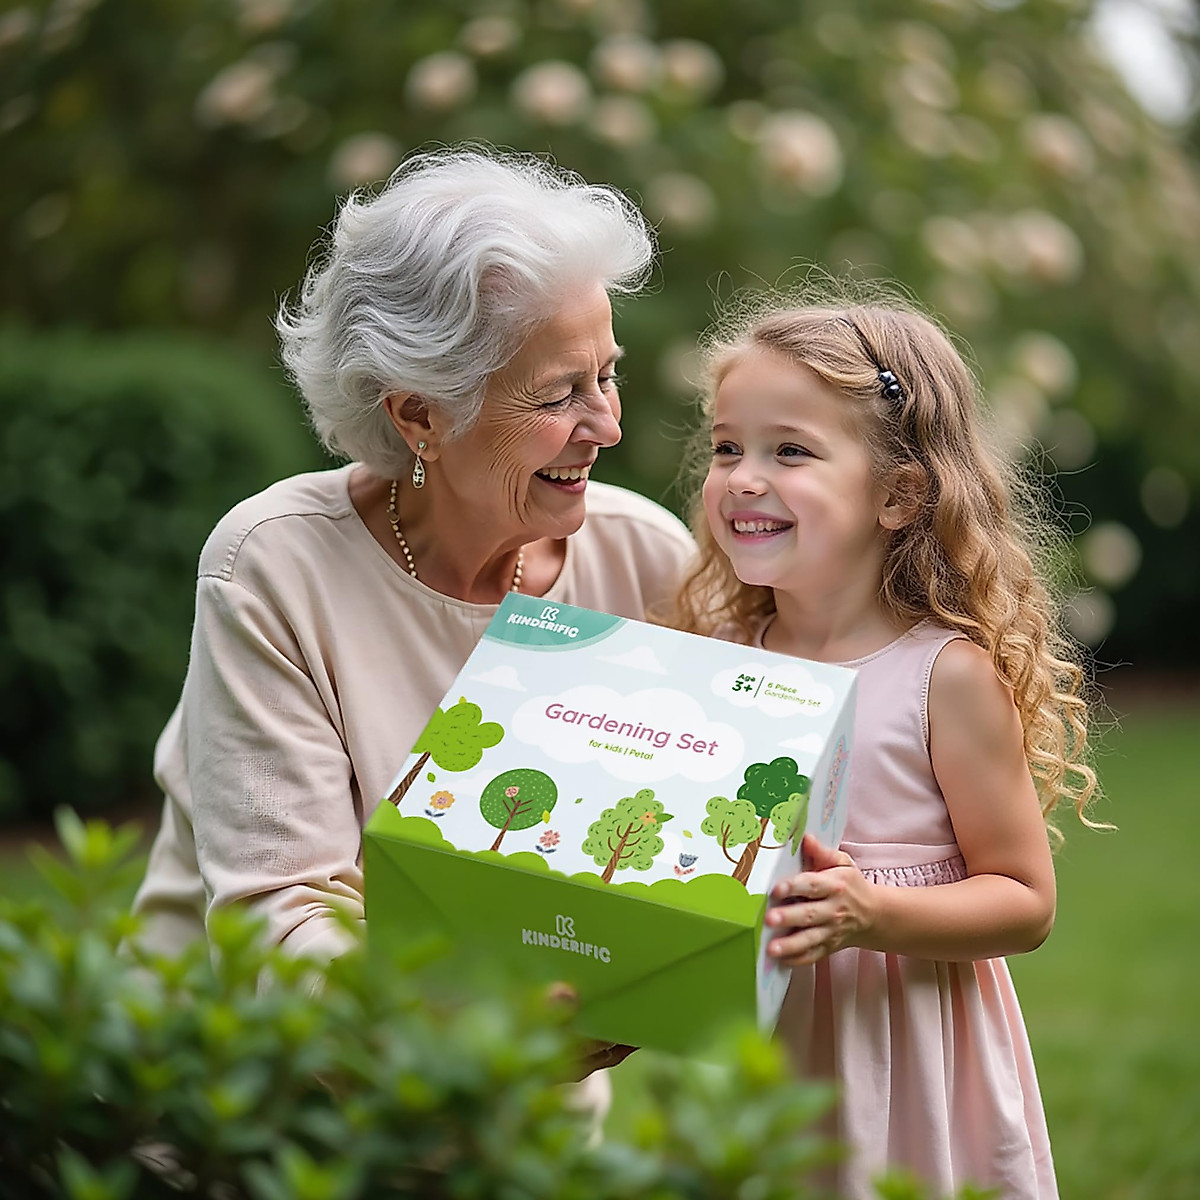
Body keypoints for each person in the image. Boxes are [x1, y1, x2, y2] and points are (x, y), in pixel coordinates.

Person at [131, 147, 694, 994]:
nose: (607, 426)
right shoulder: (276, 567)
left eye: (606, 376)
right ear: (420, 414)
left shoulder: (645, 558)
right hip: (240, 1060)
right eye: (558, 395)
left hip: (518, 1061)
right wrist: (489, 1023)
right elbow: (282, 924)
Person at [669, 295, 1098, 1199]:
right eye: (727, 448)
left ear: (898, 494)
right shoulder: (721, 662)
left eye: (790, 451)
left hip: (907, 1053)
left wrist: (873, 913)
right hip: (765, 1049)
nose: (743, 478)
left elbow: (1025, 900)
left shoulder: (943, 675)